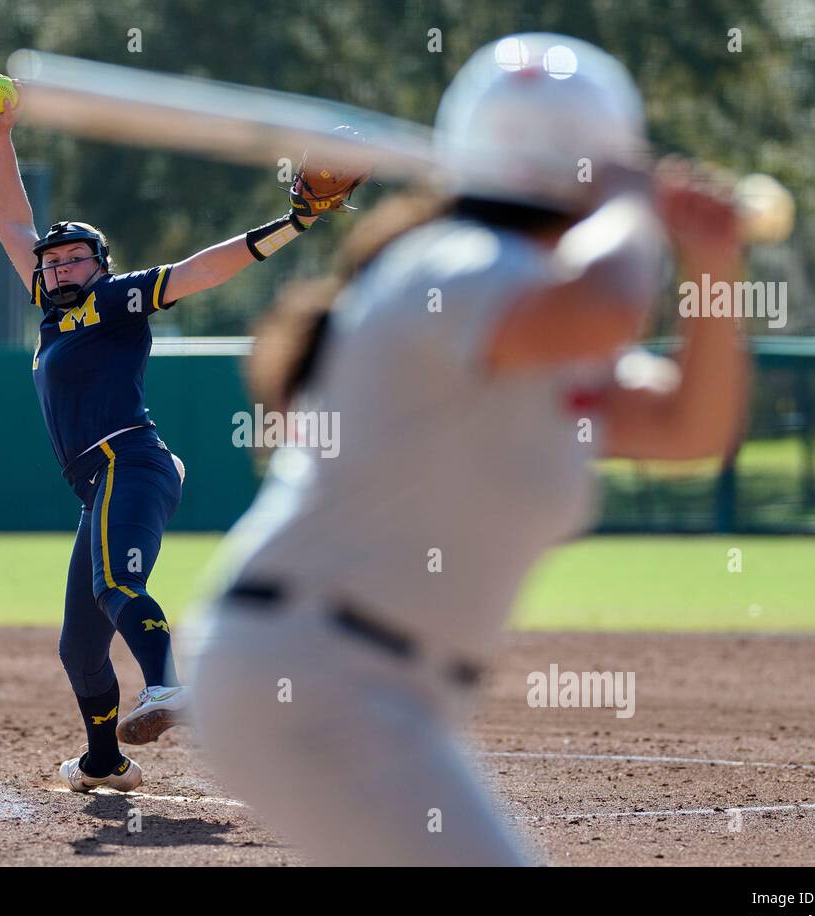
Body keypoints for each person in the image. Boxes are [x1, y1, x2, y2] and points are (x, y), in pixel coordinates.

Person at [189, 33, 750, 864]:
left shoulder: (530, 309)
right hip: (315, 671)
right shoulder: (450, 266)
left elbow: (691, 431)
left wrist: (714, 263)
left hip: (375, 686)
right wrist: (634, 202)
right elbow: (602, 309)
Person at [0, 79, 330, 793]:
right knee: (78, 647)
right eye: (50, 261)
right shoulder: (54, 317)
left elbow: (202, 268)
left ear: (101, 264)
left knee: (117, 582)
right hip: (97, 483)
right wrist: (0, 131)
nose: (55, 265)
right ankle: (105, 760)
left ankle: (170, 687)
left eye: (72, 257)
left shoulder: (114, 300)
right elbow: (11, 222)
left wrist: (291, 223)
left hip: (128, 461)